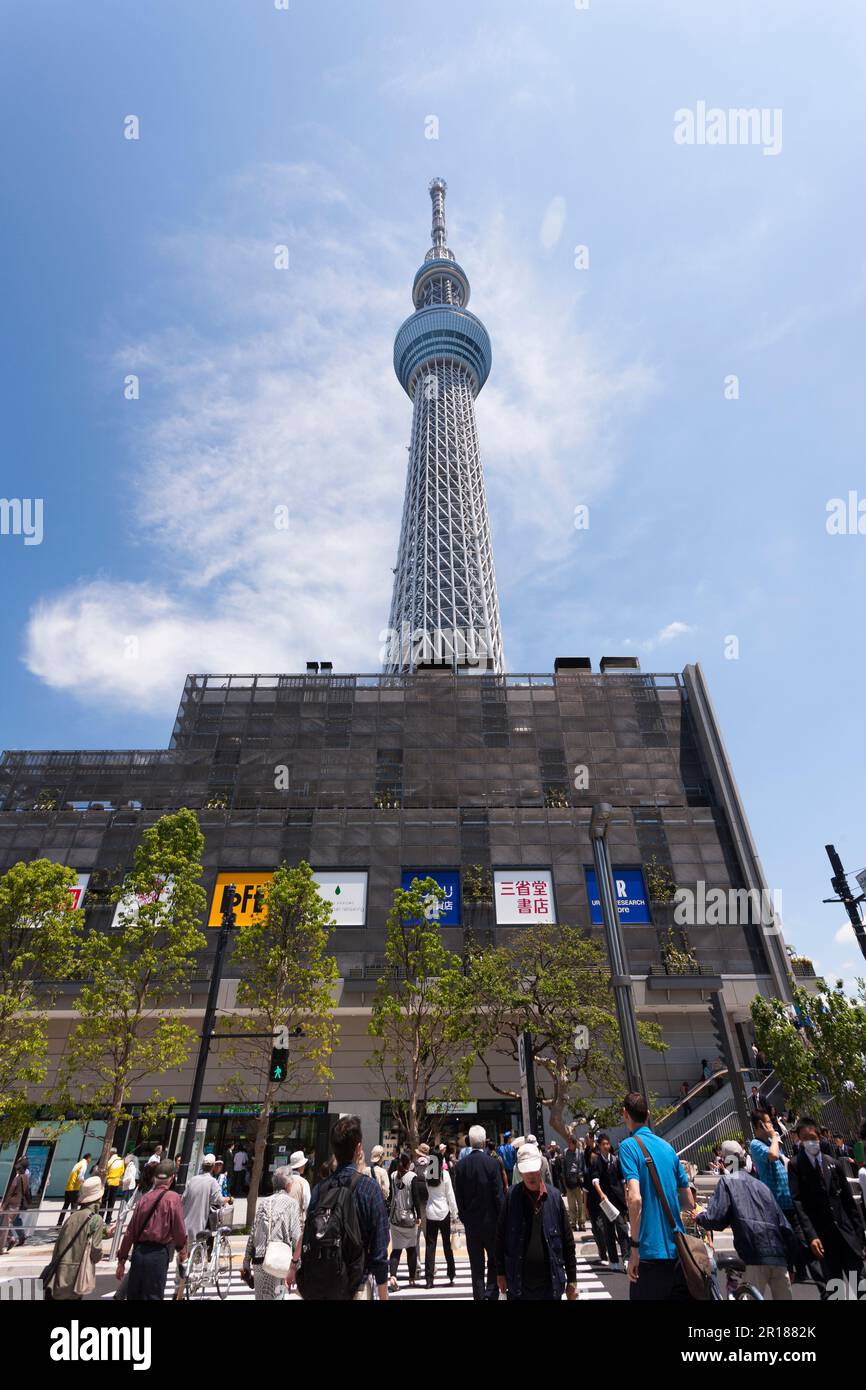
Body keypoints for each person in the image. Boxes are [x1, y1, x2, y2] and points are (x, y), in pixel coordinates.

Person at [696, 1140, 799, 1300]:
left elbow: (716, 1219)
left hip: (753, 1254)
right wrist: (791, 1262)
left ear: (726, 1161)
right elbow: (784, 1226)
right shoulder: (762, 1186)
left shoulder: (727, 1182)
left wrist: (700, 1217)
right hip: (779, 1256)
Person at [301, 1114, 389, 1301]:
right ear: (358, 1149)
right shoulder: (370, 1189)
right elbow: (380, 1251)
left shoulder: (320, 1189)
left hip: (321, 1285)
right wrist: (383, 1295)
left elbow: (308, 1232)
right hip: (356, 1286)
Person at [619, 1091, 695, 1301]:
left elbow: (635, 1199)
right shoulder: (668, 1148)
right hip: (677, 1252)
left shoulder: (628, 1147)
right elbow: (688, 1202)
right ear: (648, 1114)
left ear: (625, 1114)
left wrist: (634, 1249)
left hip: (648, 1254)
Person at [787, 1116, 866, 1300]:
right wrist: (811, 1236)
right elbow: (798, 1203)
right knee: (835, 1290)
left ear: (820, 1137)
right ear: (799, 1138)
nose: (810, 1142)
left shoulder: (833, 1163)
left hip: (847, 1237)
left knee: (860, 1286)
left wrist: (860, 1235)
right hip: (823, 1241)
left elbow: (849, 1202)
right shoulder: (796, 1165)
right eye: (805, 1138)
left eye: (813, 1137)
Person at [495, 1141, 579, 1301]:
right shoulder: (511, 1197)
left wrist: (572, 1280)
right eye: (526, 1171)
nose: (531, 1175)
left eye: (534, 1169)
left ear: (540, 1166)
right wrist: (500, 1272)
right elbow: (500, 1237)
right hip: (519, 1283)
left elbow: (568, 1242)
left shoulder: (554, 1197)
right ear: (519, 1170)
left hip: (550, 1283)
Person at [117, 1158, 187, 1300]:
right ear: (172, 1178)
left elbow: (130, 1231)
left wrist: (122, 1260)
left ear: (155, 1178)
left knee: (134, 1294)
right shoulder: (173, 1198)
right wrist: (182, 1249)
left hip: (138, 1253)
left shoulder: (144, 1199)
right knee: (153, 1295)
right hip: (158, 1254)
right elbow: (179, 1229)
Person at [452, 1124, 504, 1301]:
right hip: (491, 1221)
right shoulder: (492, 1163)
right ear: (483, 1141)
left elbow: (458, 1196)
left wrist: (464, 1217)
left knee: (476, 1266)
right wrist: (502, 1218)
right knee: (494, 1261)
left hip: (471, 1223)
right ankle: (491, 1294)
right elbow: (498, 1194)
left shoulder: (460, 1166)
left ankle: (479, 1297)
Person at [242, 1165, 302, 1300]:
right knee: (276, 1296)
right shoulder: (292, 1204)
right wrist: (296, 1266)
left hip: (259, 1260)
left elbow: (253, 1233)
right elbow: (297, 1236)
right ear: (288, 1184)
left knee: (261, 1297)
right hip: (278, 1261)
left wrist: (246, 1261)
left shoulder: (264, 1202)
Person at [43, 1177, 106, 1300]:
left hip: (59, 1272)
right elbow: (96, 1251)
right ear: (98, 1199)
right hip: (77, 1275)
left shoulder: (72, 1217)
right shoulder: (96, 1219)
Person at [588, 1133, 630, 1269]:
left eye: (608, 1144)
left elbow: (622, 1179)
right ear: (599, 1146)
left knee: (622, 1227)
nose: (606, 1146)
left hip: (618, 1198)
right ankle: (614, 1260)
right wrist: (601, 1194)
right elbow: (595, 1180)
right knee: (609, 1229)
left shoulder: (616, 1160)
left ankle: (626, 1257)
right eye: (604, 1144)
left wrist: (626, 1195)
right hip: (605, 1200)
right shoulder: (596, 1162)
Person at [424, 1138, 459, 1288]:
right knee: (446, 1245)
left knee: (430, 1246)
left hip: (430, 1211)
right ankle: (451, 1273)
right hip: (444, 1212)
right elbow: (450, 1195)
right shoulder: (444, 1175)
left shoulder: (427, 1174)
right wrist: (455, 1213)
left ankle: (429, 1279)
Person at [749, 1110, 795, 1221]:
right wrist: (774, 1135)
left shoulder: (772, 1142)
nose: (772, 1125)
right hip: (777, 1206)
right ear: (761, 1124)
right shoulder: (755, 1144)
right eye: (769, 1122)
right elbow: (773, 1155)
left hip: (790, 1202)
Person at [387, 1151, 422, 1290]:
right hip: (409, 1218)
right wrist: (419, 1216)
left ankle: (393, 1276)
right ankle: (412, 1277)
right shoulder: (412, 1177)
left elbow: (391, 1196)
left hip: (395, 1218)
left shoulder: (393, 1175)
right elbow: (416, 1198)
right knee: (411, 1249)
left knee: (396, 1249)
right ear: (408, 1163)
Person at [180, 1153, 225, 1254]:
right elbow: (219, 1200)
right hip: (199, 1224)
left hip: (185, 1223)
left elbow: (183, 1199)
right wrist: (229, 1199)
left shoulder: (192, 1180)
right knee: (196, 1250)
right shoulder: (212, 1181)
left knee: (185, 1251)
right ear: (213, 1167)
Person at [1, 1158, 31, 1251]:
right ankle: (12, 1238)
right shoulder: (26, 1177)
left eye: (18, 1167)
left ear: (21, 1168)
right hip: (17, 1204)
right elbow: (26, 1192)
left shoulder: (17, 1178)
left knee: (4, 1225)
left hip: (11, 1204)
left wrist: (3, 1205)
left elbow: (10, 1192)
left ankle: (7, 1242)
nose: (16, 1169)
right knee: (7, 1223)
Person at [57, 1152, 91, 1225]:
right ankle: (72, 1225)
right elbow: (80, 1177)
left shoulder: (78, 1164)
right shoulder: (84, 1164)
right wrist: (85, 1182)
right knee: (74, 1207)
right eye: (90, 1160)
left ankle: (59, 1223)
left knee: (65, 1206)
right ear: (88, 1158)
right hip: (75, 1189)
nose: (90, 1161)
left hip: (68, 1188)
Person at [562, 1135, 586, 1232]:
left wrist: (580, 1178)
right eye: (568, 1143)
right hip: (568, 1180)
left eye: (571, 1143)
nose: (569, 1145)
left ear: (575, 1144)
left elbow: (582, 1166)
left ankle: (582, 1223)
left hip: (578, 1180)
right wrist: (564, 1179)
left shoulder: (580, 1153)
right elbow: (564, 1167)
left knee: (580, 1204)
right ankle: (573, 1223)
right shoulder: (565, 1152)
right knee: (571, 1204)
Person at [288, 1150, 312, 1222]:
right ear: (301, 1166)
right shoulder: (303, 1182)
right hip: (296, 1221)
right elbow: (307, 1204)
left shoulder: (285, 1180)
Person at [103, 1148, 125, 1217]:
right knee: (112, 1201)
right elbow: (122, 1172)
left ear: (111, 1153)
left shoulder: (110, 1161)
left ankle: (101, 1216)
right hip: (116, 1182)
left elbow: (105, 1171)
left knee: (104, 1200)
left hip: (109, 1182)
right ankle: (108, 1219)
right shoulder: (121, 1161)